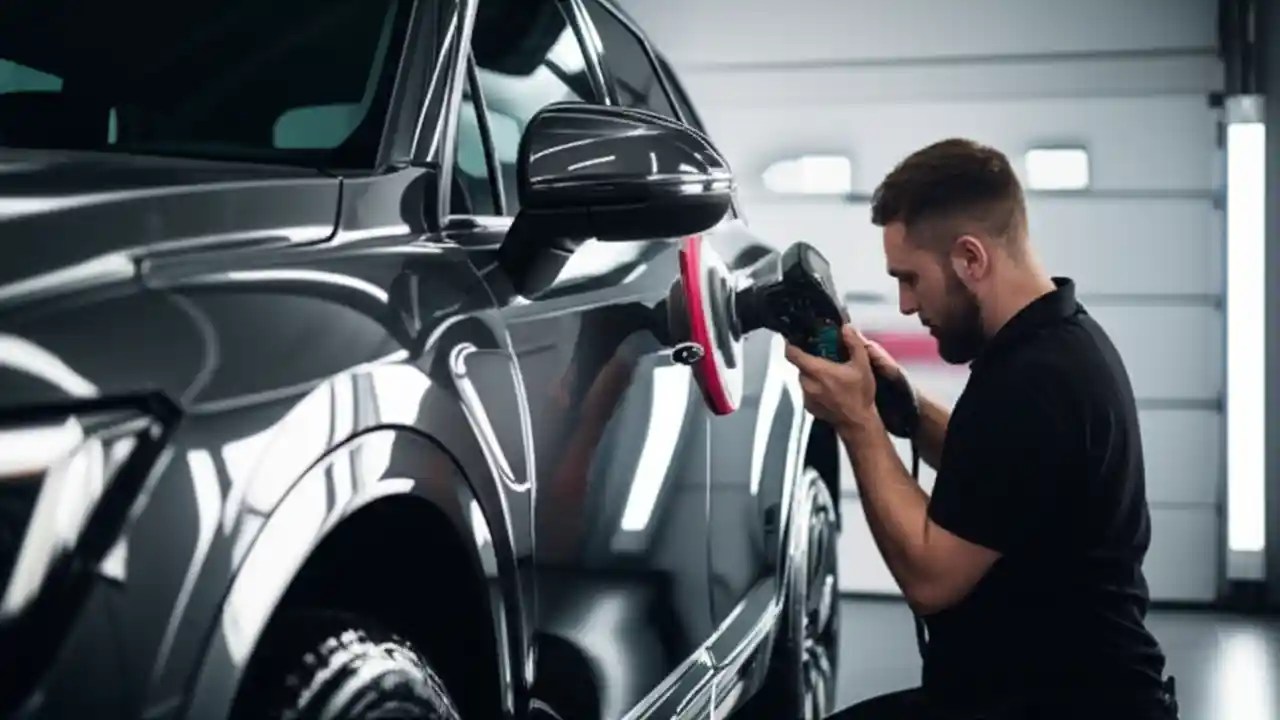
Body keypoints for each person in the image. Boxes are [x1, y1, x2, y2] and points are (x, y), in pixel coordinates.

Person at [785, 138, 1178, 719]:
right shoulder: (1056, 341)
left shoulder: (1036, 379)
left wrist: (858, 421)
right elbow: (1000, 469)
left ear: (971, 259)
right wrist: (906, 410)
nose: (905, 304)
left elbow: (931, 576)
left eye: (911, 278)